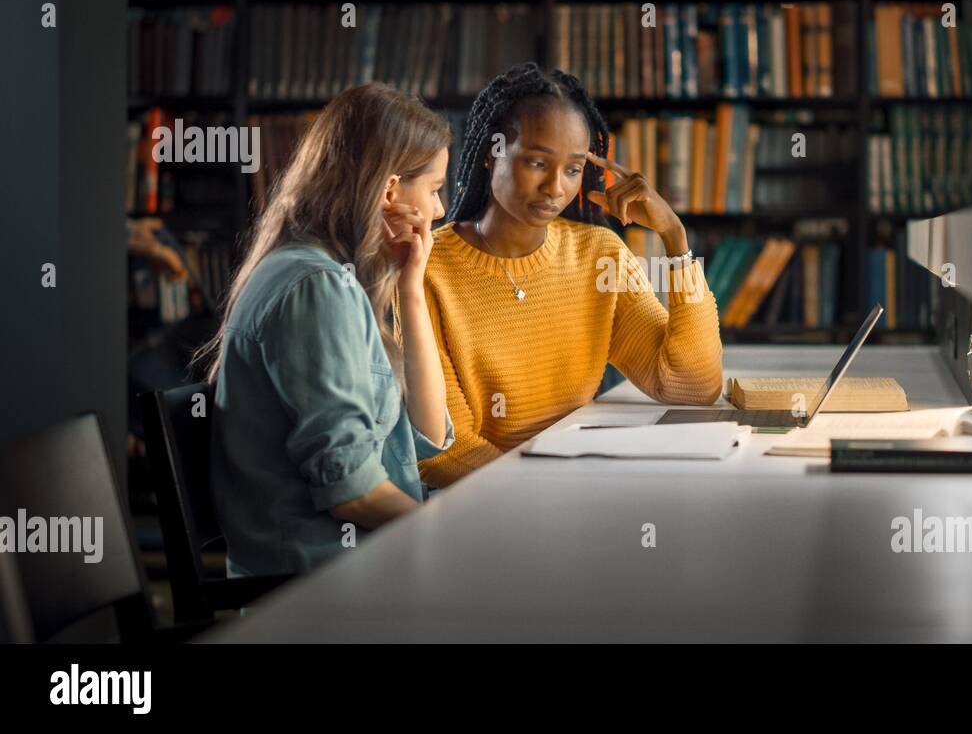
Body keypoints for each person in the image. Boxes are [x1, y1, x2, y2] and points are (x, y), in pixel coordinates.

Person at [418, 63, 723, 488]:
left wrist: (674, 237)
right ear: (492, 152)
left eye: (573, 169)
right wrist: (542, 495)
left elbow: (692, 385)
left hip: (576, 486)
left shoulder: (599, 255)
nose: (556, 188)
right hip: (487, 505)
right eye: (538, 162)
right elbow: (444, 452)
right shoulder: (427, 268)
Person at [199, 83, 454, 576]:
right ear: (389, 191)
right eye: (435, 189)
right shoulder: (315, 288)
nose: (439, 211)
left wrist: (411, 290)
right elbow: (353, 494)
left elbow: (425, 434)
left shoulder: (334, 280)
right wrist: (450, 539)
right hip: (325, 589)